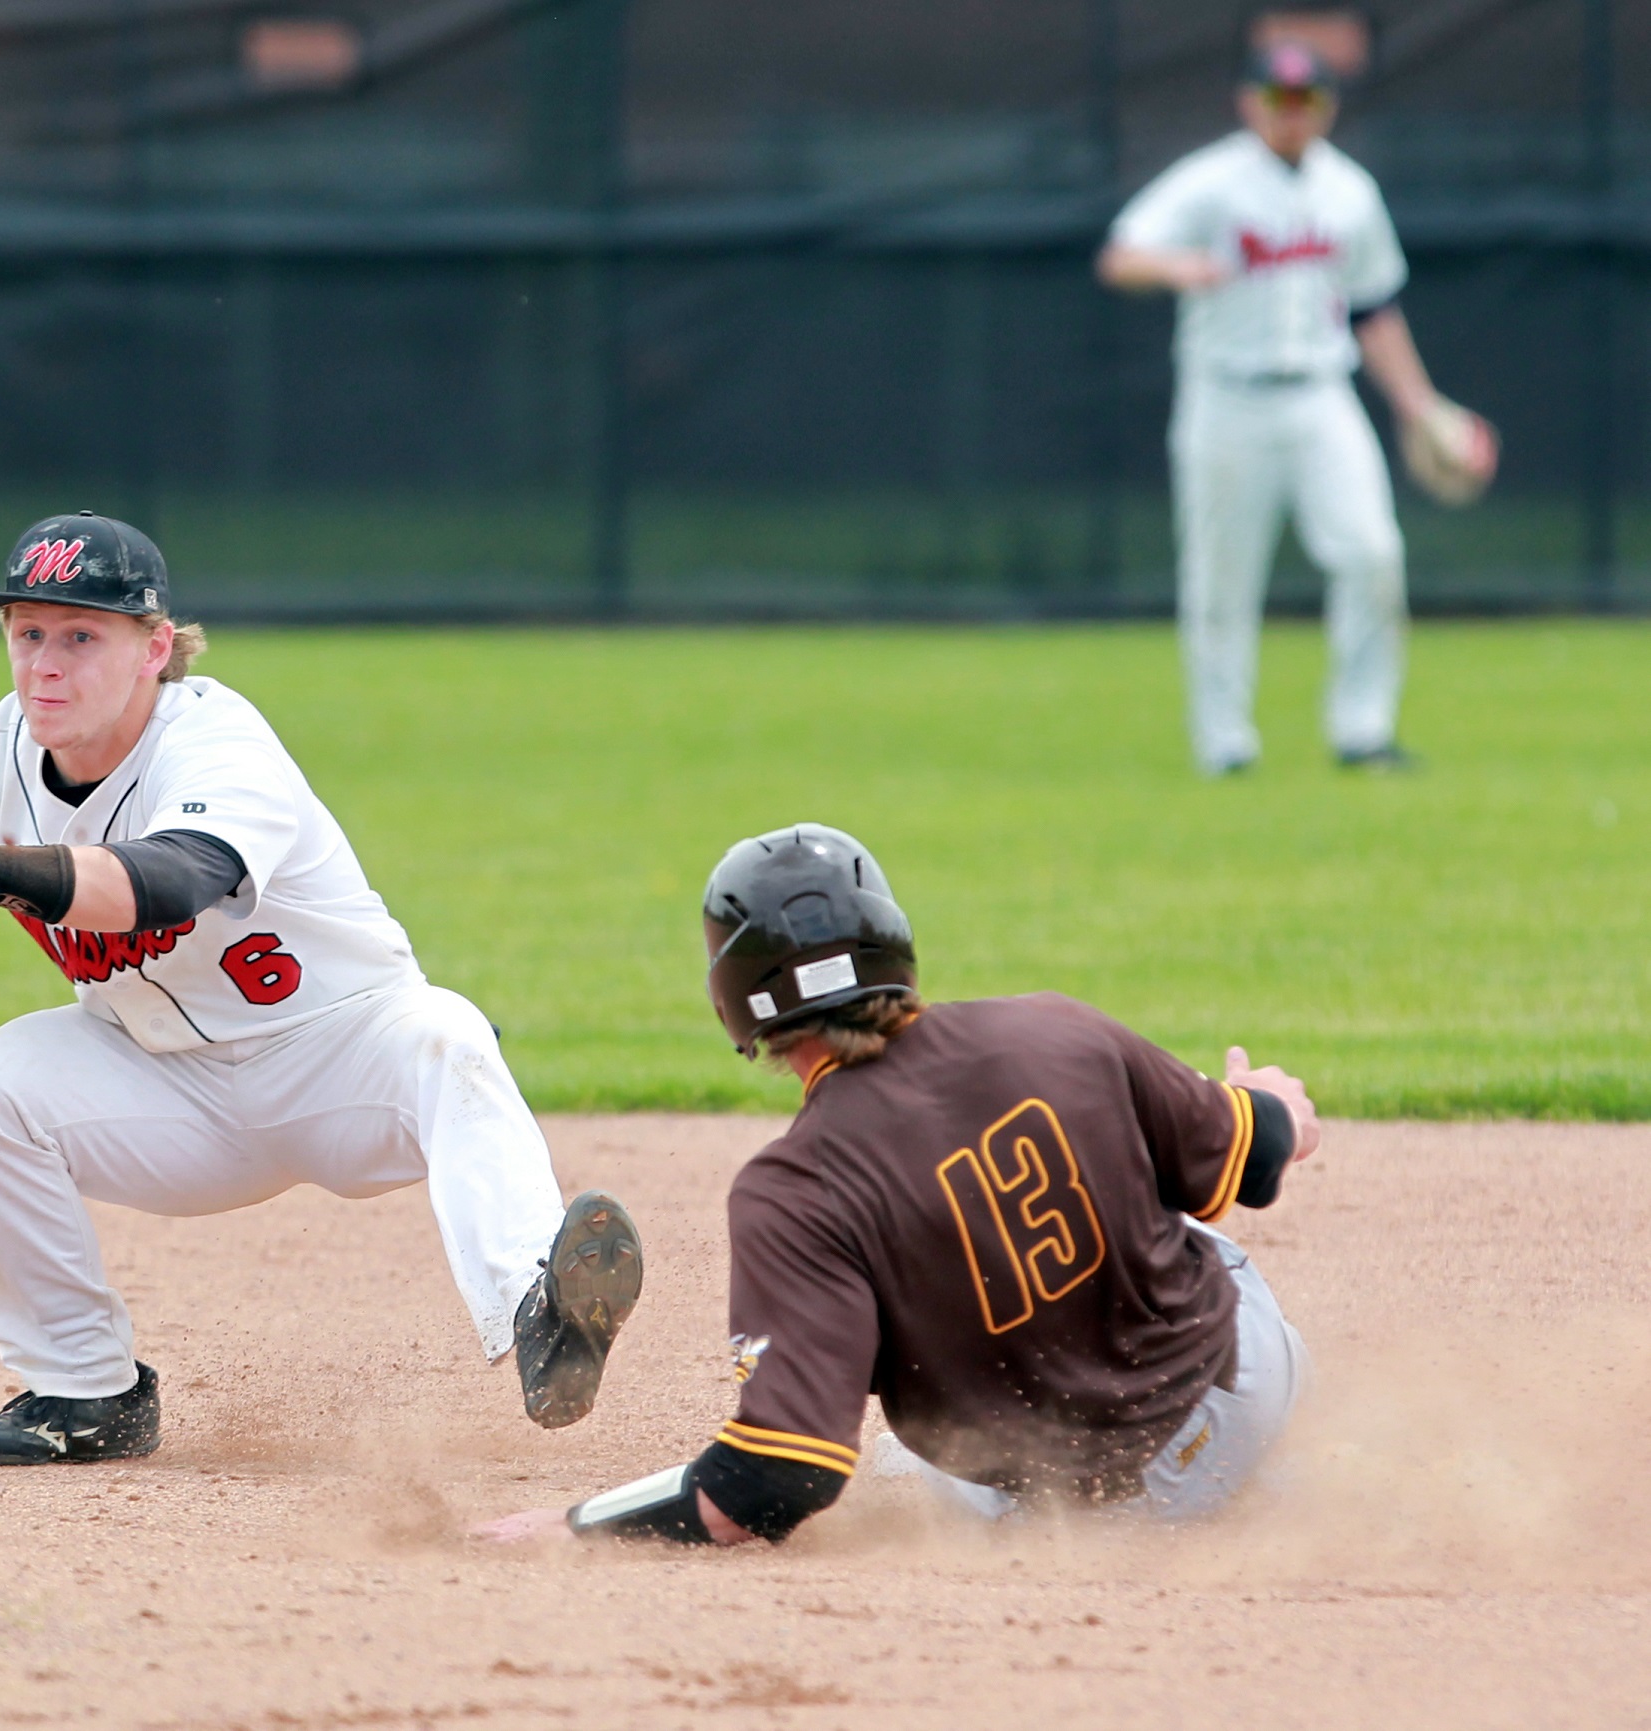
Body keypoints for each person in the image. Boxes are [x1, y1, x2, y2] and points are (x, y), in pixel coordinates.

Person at [0, 511, 643, 1464]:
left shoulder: (217, 740)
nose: (45, 662)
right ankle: (87, 1396)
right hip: (164, 1089)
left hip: (340, 1056)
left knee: (449, 1037)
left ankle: (541, 1309)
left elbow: (166, 881)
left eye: (82, 635)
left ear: (154, 648)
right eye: (27, 632)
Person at [477, 823, 1319, 1546]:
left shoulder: (794, 1191)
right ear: (891, 941)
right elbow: (1255, 1154)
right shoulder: (1055, 1029)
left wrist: (579, 1522)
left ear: (737, 1001)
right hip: (1250, 1388)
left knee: (893, 1447)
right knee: (1188, 1223)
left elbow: (773, 1479)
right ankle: (1299, 1468)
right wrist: (1270, 1101)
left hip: (1100, 1515)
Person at [1099, 40, 1493, 776]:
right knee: (1222, 578)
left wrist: (1419, 406)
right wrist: (1176, 265)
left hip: (1319, 394)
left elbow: (1374, 308)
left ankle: (1363, 729)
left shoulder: (1349, 192)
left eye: (1306, 100)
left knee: (1373, 553)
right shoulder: (1212, 182)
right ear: (1248, 103)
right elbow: (1121, 254)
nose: (1291, 114)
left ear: (1327, 107)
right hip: (1227, 397)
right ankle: (1225, 745)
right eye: (1278, 100)